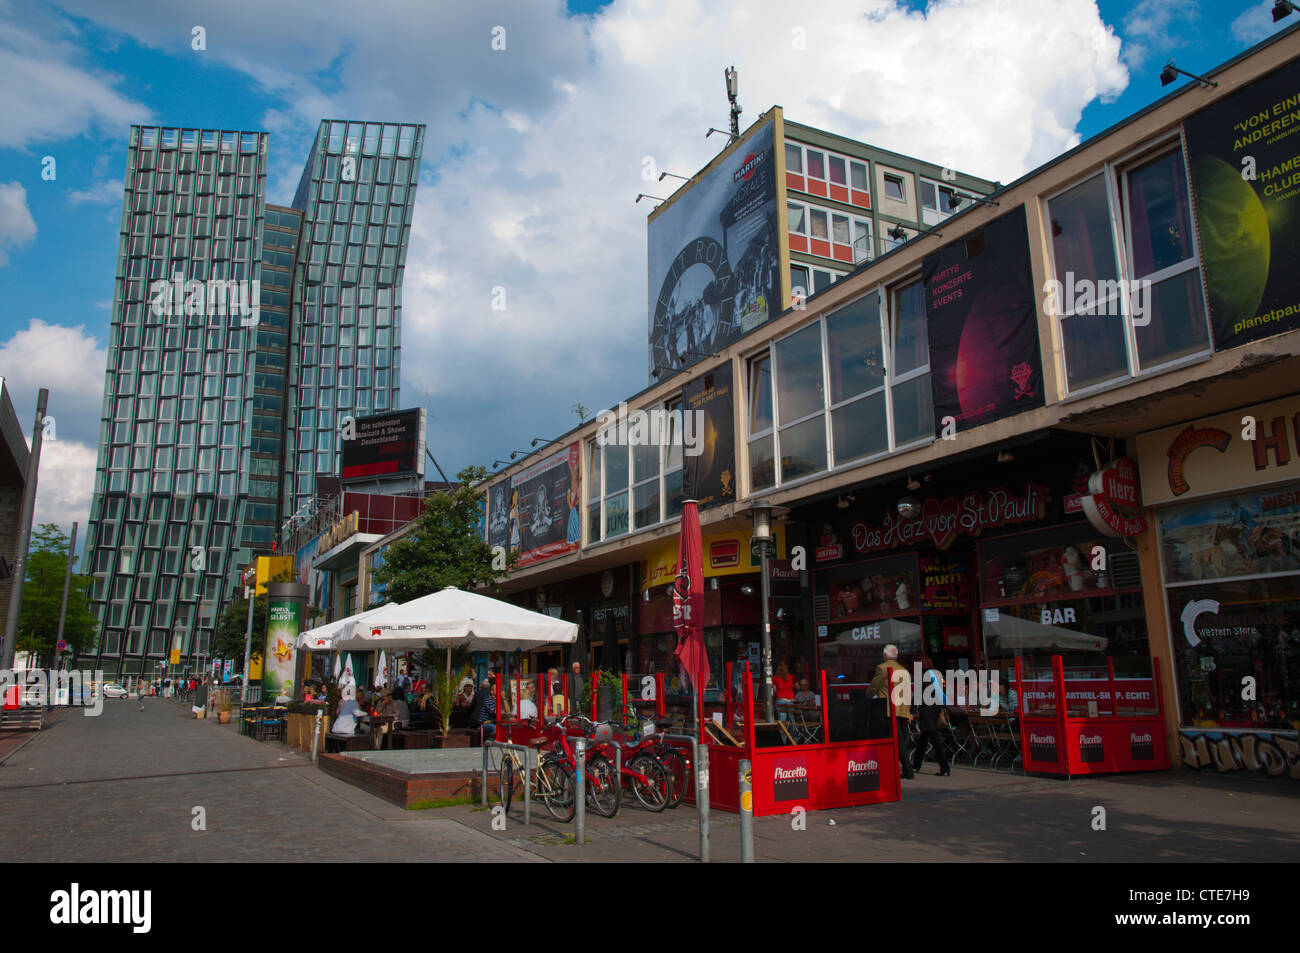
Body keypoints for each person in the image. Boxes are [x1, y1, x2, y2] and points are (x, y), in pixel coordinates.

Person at [870, 644, 914, 780]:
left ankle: (906, 768)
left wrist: (868, 694)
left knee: (893, 740)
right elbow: (908, 693)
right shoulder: (904, 671)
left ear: (884, 656)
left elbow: (874, 687)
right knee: (897, 739)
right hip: (901, 709)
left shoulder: (882, 668)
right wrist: (908, 712)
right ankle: (901, 768)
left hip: (887, 709)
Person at [912, 657, 951, 777]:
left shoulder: (921, 676)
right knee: (924, 738)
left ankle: (944, 766)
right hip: (935, 709)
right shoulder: (937, 674)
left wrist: (912, 710)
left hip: (927, 710)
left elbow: (917, 694)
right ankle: (916, 763)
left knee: (934, 739)